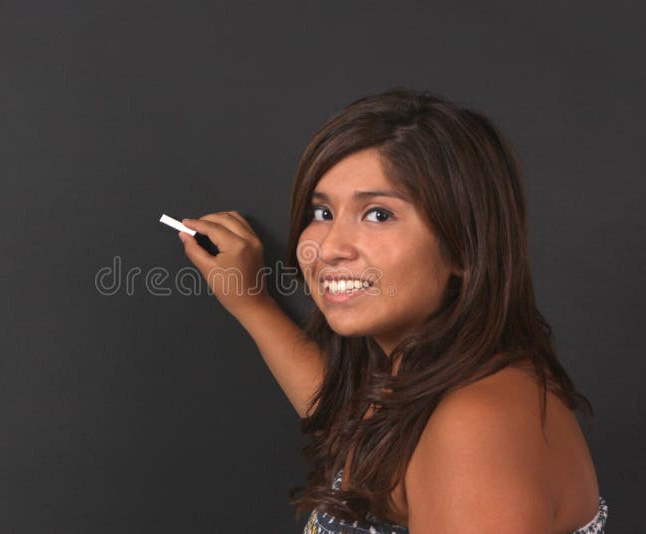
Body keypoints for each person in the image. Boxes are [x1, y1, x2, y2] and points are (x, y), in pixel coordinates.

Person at [176, 88, 608, 533]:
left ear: (464, 247)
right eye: (322, 212)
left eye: (378, 214)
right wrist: (250, 302)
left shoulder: (474, 428)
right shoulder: (441, 380)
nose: (328, 248)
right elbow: (357, 430)